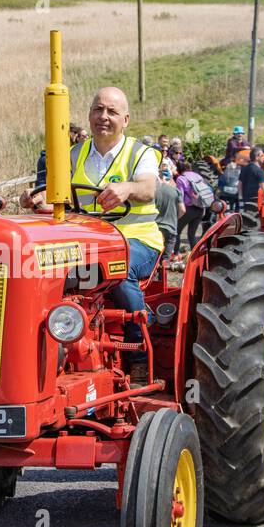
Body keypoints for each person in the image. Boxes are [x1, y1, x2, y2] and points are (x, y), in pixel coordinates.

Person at [22, 87, 162, 366]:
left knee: (120, 271)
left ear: (126, 119)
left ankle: (139, 350)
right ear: (89, 116)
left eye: (112, 111)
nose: (104, 117)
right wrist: (36, 199)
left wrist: (127, 189)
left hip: (136, 240)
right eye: (98, 110)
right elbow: (59, 200)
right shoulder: (74, 154)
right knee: (33, 268)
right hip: (87, 244)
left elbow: (148, 189)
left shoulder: (140, 153)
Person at [174, 160, 209, 252]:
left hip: (189, 209)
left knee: (176, 232)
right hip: (201, 208)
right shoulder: (198, 176)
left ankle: (175, 255)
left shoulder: (180, 178)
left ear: (179, 169)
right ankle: (195, 255)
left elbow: (179, 196)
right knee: (191, 234)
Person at [155, 169, 185, 257]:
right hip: (170, 228)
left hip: (154, 228)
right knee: (166, 259)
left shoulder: (152, 191)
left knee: (154, 256)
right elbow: (183, 210)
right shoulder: (175, 191)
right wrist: (174, 219)